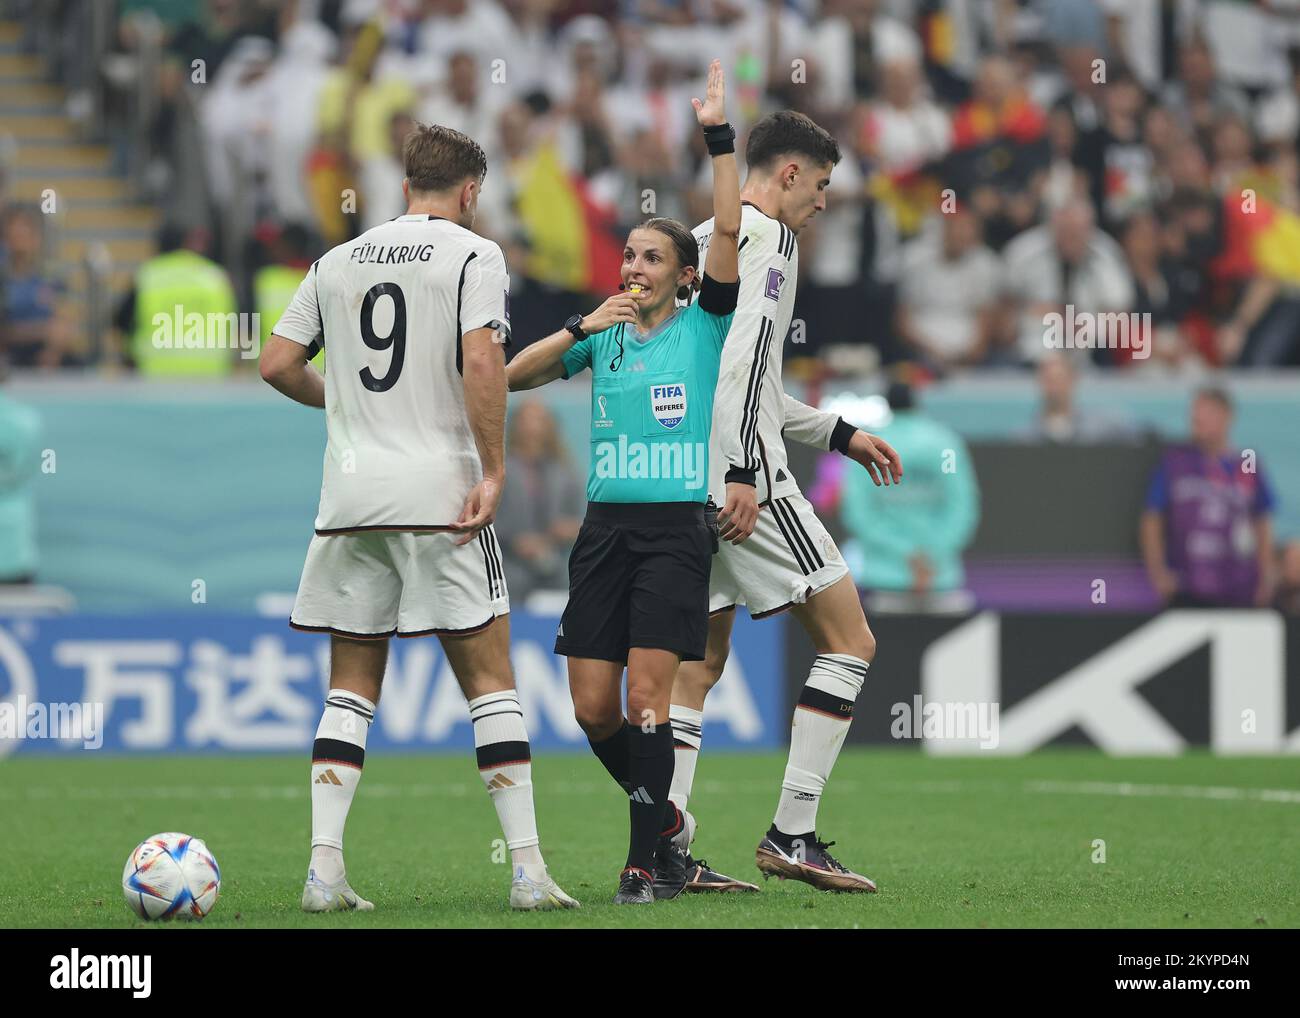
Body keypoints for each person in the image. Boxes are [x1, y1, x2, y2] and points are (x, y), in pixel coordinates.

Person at [259, 122, 577, 914]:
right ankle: (529, 872)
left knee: (351, 687)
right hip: (441, 494)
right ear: (470, 192)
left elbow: (275, 363)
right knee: (489, 680)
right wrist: (497, 468)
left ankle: (324, 871)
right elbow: (480, 359)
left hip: (352, 498)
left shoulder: (336, 260)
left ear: (406, 186)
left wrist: (351, 407)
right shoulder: (475, 255)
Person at [506, 60, 742, 904]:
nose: (633, 267)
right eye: (628, 254)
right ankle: (671, 829)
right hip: (602, 531)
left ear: (683, 275)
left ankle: (644, 864)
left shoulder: (705, 326)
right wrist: (577, 323)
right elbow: (511, 376)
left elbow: (723, 228)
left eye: (651, 257)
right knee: (593, 707)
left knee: (649, 697)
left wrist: (718, 138)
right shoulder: (601, 332)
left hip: (676, 531)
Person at [668, 110, 905, 894]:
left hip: (680, 478)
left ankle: (665, 845)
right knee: (850, 640)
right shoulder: (769, 242)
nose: (827, 202)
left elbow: (742, 383)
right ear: (790, 174)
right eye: (825, 184)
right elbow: (742, 370)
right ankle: (793, 833)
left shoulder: (707, 239)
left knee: (696, 667)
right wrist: (742, 470)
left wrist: (839, 432)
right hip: (750, 482)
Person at [1140, 387, 1276, 608]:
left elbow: (1262, 522)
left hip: (1238, 586)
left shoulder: (1247, 465)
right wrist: (1158, 573)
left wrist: (1266, 575)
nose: (1198, 419)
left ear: (1226, 416)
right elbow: (1152, 518)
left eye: (1207, 412)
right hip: (1187, 585)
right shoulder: (1176, 462)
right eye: (1195, 412)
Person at [494, 400, 584, 602]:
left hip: (556, 568)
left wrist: (570, 529)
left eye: (539, 419)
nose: (532, 427)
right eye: (526, 419)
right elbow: (485, 520)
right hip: (507, 569)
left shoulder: (566, 473)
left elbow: (582, 522)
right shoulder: (498, 472)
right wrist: (515, 540)